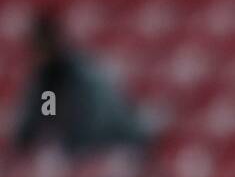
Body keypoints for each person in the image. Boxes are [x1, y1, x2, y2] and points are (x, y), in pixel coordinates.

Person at [12, 11, 150, 155]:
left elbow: (100, 116)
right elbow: (42, 115)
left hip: (114, 144)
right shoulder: (47, 79)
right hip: (78, 149)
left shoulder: (84, 73)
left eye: (41, 45)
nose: (38, 53)